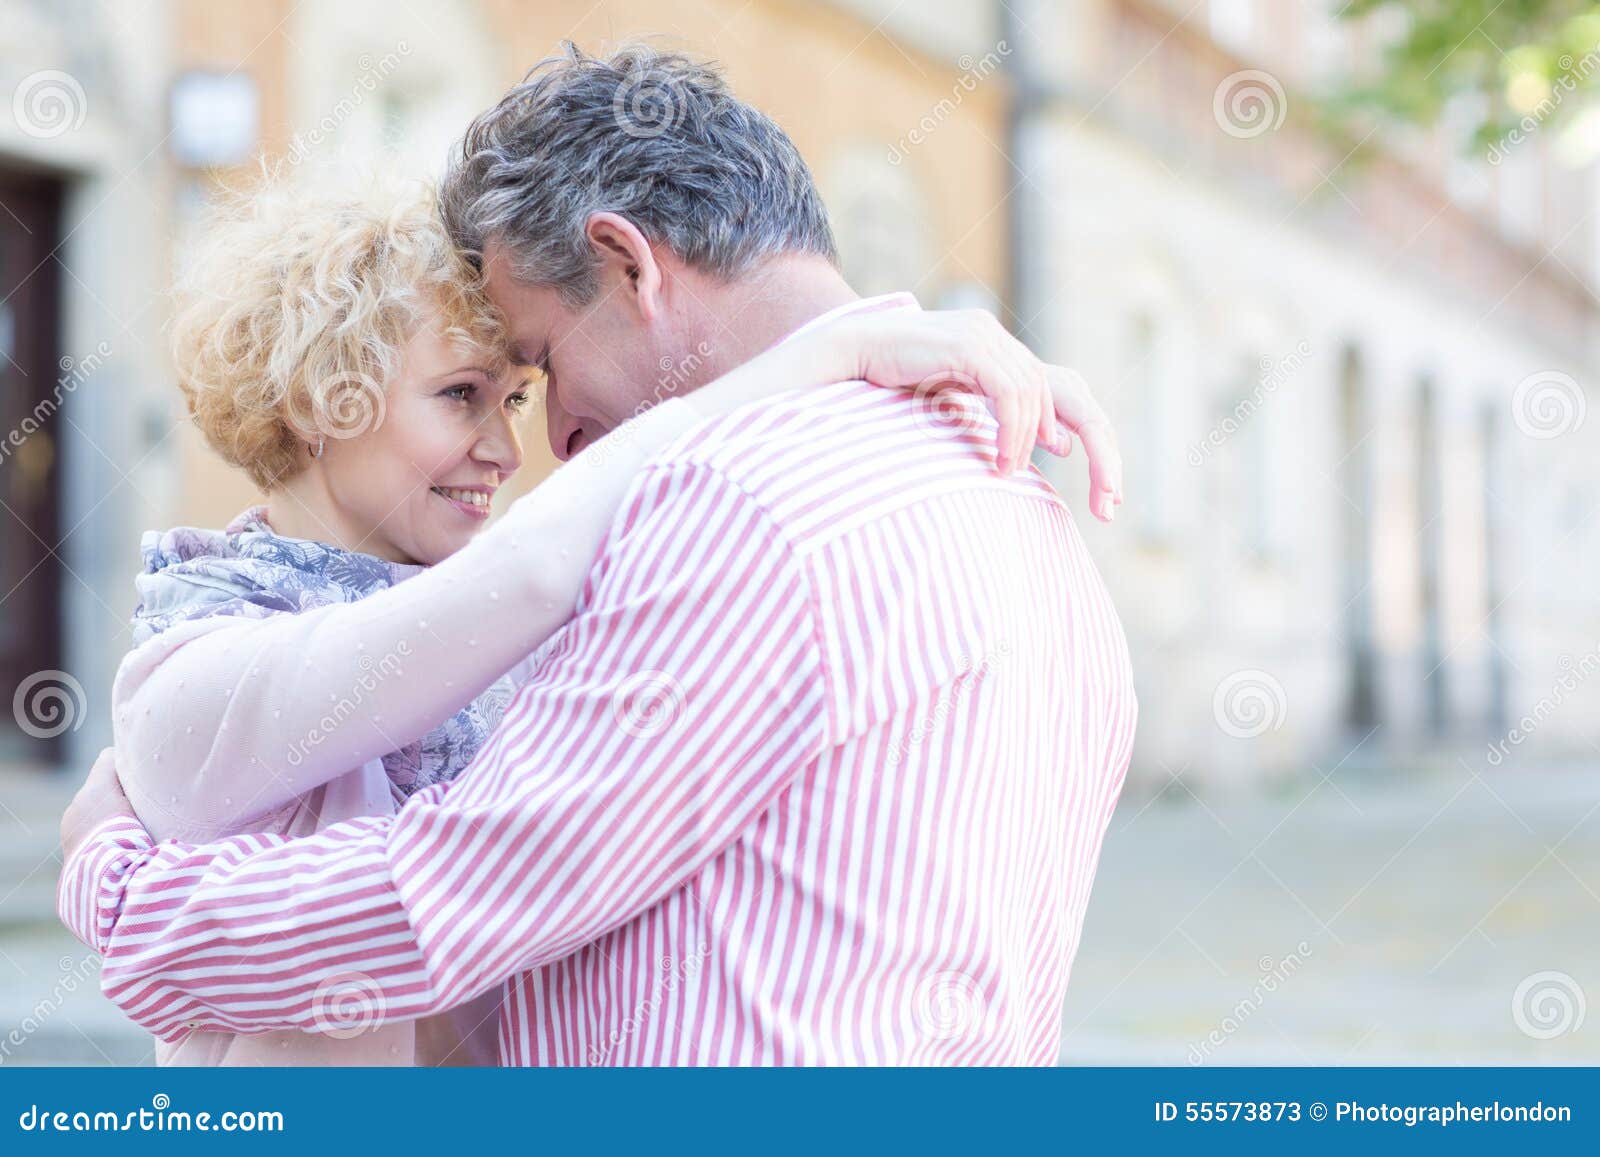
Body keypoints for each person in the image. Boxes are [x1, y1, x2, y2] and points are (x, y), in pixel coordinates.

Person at [61, 44, 1133, 1065]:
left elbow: (455, 890)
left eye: (531, 370)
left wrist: (117, 896)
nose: (546, 441)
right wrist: (840, 348)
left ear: (627, 263)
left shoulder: (738, 505)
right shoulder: (1016, 498)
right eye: (466, 393)